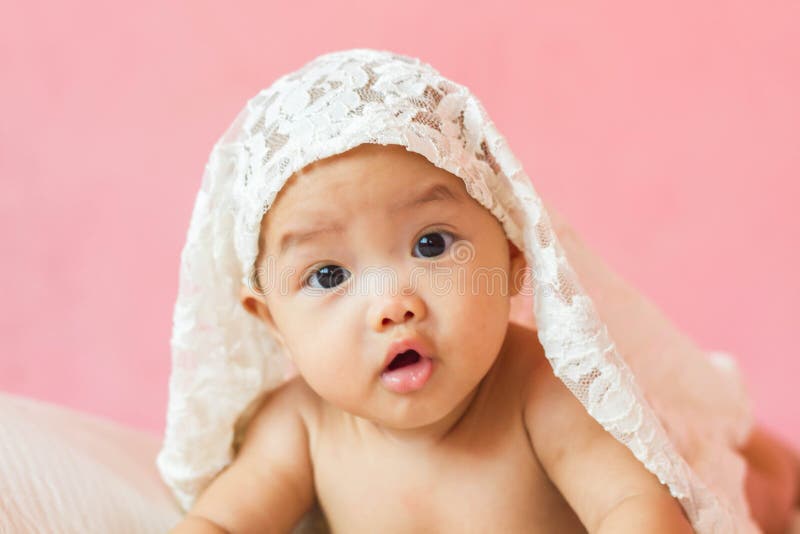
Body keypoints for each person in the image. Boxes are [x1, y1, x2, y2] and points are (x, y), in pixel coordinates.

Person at [159, 49, 798, 533]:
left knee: (752, 492)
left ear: (516, 261)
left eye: (431, 244)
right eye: (329, 276)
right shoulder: (299, 427)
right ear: (271, 322)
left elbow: (634, 506)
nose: (393, 304)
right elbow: (221, 524)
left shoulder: (538, 390)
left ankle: (774, 464)